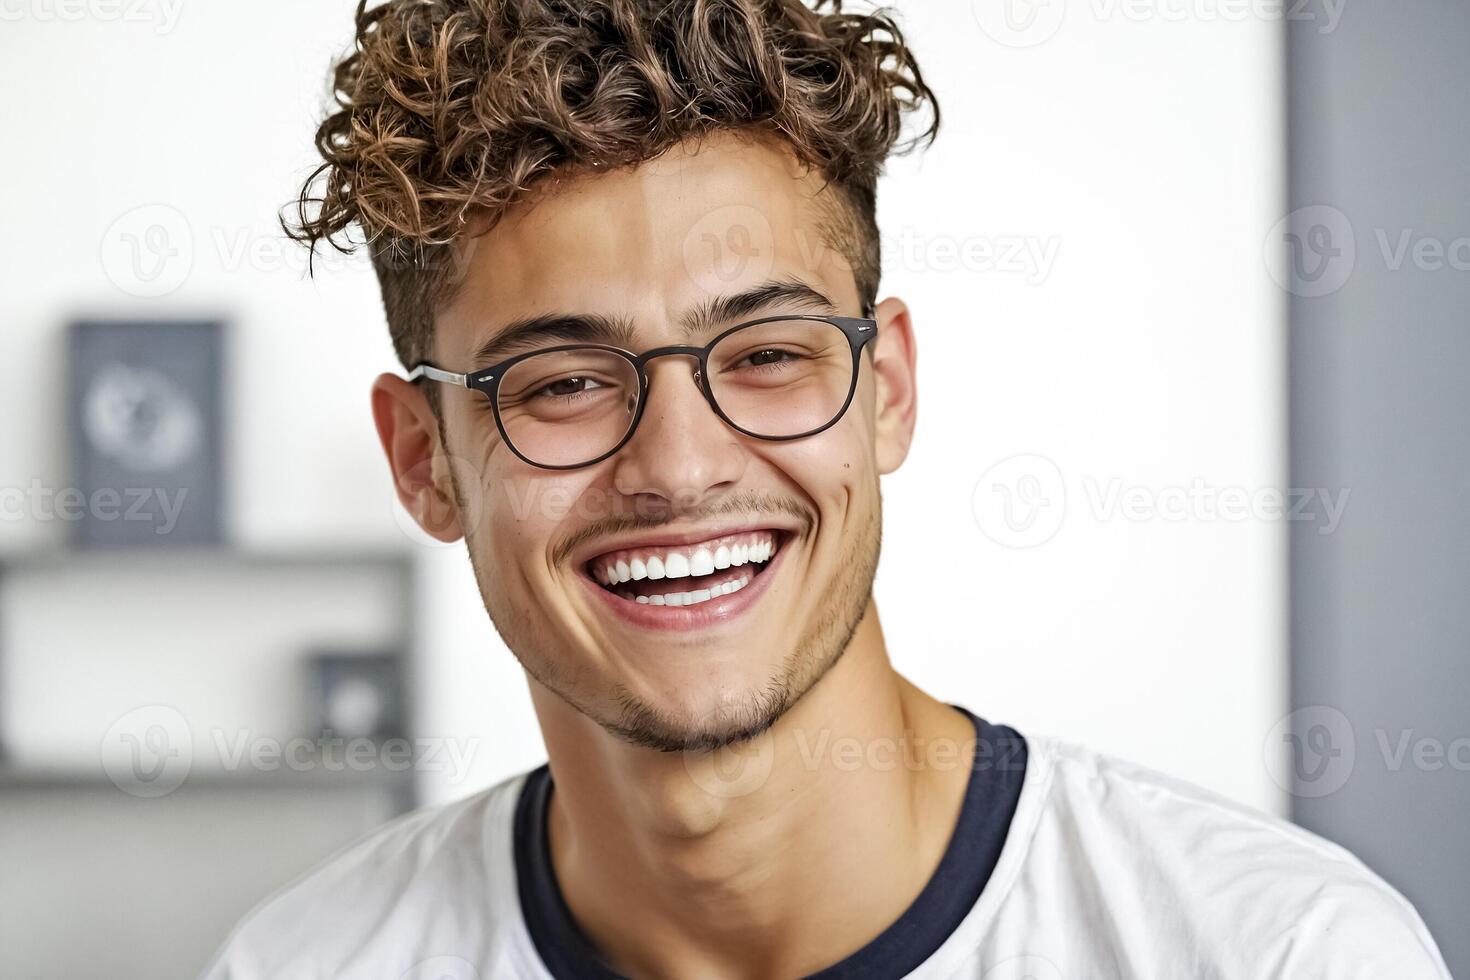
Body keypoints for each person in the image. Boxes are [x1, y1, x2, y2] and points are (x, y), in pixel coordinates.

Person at [203, 2, 1449, 977]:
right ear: (424, 457)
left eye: (767, 356)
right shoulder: (295, 965)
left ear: (888, 387)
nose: (681, 468)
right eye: (564, 382)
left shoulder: (1281, 953)